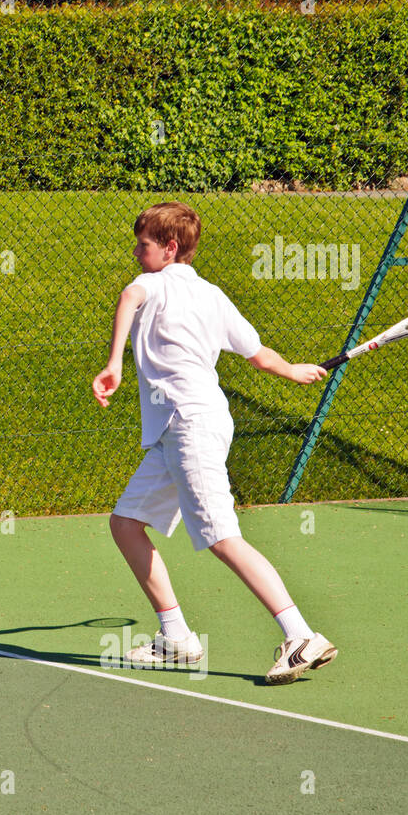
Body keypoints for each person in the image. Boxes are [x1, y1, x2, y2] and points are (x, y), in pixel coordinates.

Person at [91, 201, 337, 685]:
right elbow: (258, 354)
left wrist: (114, 362)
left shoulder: (158, 283)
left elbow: (128, 296)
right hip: (176, 428)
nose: (137, 253)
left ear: (170, 248)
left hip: (191, 425)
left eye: (143, 245)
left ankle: (301, 635)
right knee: (125, 524)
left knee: (223, 538)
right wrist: (293, 370)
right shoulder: (213, 294)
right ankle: (176, 636)